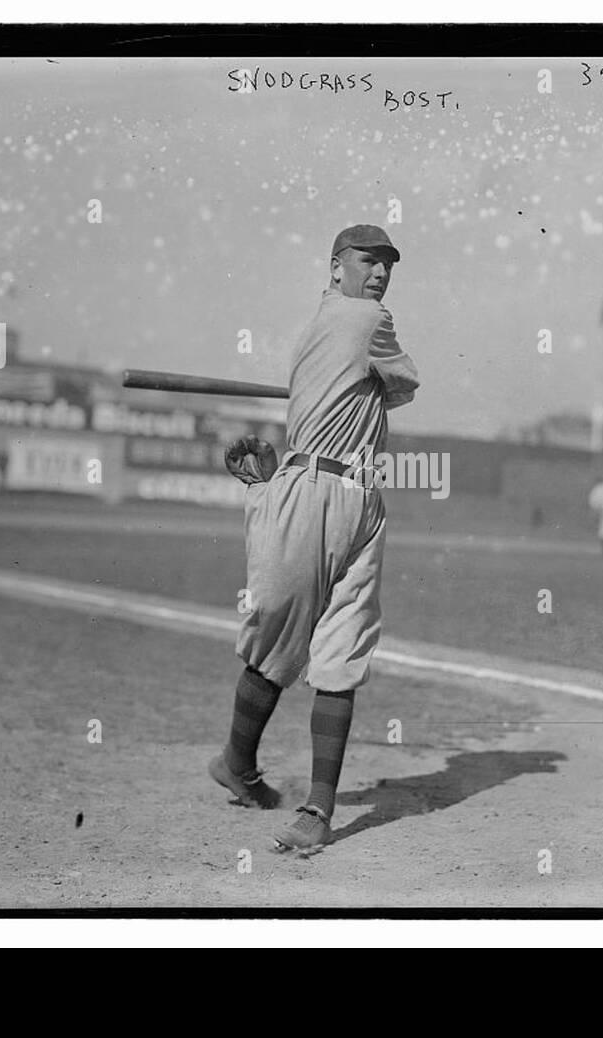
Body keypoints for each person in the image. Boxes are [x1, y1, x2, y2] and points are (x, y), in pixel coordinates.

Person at [211, 224, 419, 854]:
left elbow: (386, 390)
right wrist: (374, 385)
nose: (379, 273)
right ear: (335, 268)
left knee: (341, 644)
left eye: (387, 264)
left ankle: (316, 810)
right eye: (366, 261)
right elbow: (405, 385)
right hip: (311, 488)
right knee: (276, 637)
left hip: (359, 495)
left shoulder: (321, 330)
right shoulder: (366, 320)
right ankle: (237, 765)